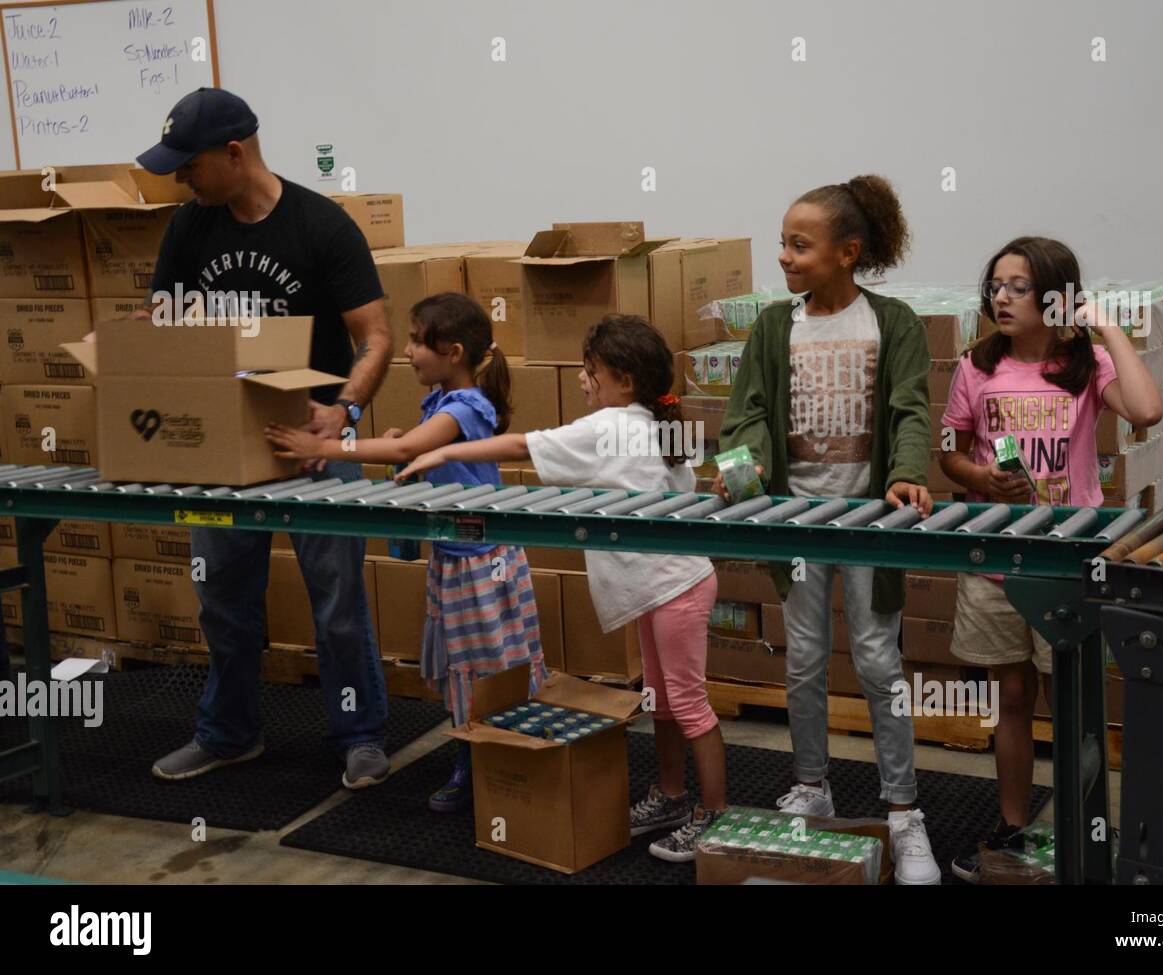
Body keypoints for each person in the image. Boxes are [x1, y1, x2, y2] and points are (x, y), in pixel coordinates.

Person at [138, 88, 395, 789]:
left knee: (338, 601)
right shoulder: (189, 229)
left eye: (187, 166)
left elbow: (374, 336)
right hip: (222, 443)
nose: (180, 180)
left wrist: (342, 412)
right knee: (221, 593)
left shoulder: (322, 226)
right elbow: (161, 325)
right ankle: (229, 733)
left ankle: (360, 734)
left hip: (317, 442)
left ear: (234, 152)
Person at [400, 315, 727, 862]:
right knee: (663, 701)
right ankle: (672, 796)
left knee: (688, 705)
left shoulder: (609, 426)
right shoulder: (660, 422)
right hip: (671, 586)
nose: (581, 380)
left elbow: (522, 446)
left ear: (623, 380)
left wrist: (445, 451)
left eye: (589, 370)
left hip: (673, 590)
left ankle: (713, 819)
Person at [718, 174, 941, 884]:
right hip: (798, 525)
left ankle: (904, 811)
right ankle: (812, 786)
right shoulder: (775, 326)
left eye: (799, 245)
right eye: (783, 242)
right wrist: (742, 467)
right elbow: (745, 413)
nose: (784, 256)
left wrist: (907, 470)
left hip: (870, 525)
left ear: (848, 252)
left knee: (879, 664)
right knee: (804, 660)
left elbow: (911, 408)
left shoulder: (893, 322)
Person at [266, 293, 546, 811]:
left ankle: (487, 763)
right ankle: (477, 755)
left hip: (482, 564)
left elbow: (402, 451)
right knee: (463, 666)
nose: (409, 351)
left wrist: (325, 447)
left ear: (454, 351)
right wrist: (402, 440)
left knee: (486, 668)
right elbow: (410, 445)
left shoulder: (464, 407)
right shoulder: (442, 402)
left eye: (418, 341)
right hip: (456, 557)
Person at [942, 236, 1162, 882]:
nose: (1002, 297)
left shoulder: (1083, 365)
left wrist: (1103, 325)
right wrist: (981, 476)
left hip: (1066, 563)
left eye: (1019, 286)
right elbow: (950, 454)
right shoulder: (976, 365)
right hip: (997, 561)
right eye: (996, 285)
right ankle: (1012, 824)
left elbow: (1147, 409)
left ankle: (1081, 822)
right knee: (1012, 695)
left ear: (1056, 296)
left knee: (1074, 700)